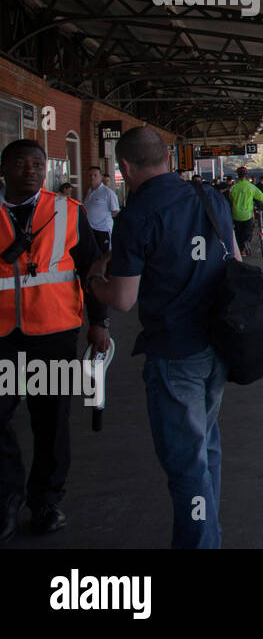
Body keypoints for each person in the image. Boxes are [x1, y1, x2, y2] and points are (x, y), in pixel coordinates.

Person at [88, 126, 239, 549]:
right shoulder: (210, 197)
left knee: (186, 464)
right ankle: (210, 536)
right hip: (218, 347)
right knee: (206, 449)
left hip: (176, 353)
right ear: (170, 160)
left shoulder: (136, 216)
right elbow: (236, 262)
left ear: (123, 167)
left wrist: (95, 280)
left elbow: (121, 298)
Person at [1, 139, 111, 543]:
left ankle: (45, 502)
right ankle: (7, 498)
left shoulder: (67, 211)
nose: (31, 170)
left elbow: (92, 270)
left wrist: (99, 323)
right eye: (20, 163)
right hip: (2, 339)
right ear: (4, 168)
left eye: (38, 164)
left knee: (50, 422)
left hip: (52, 333)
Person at [227, 167, 263, 257]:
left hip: (236, 214)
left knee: (238, 233)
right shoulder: (251, 187)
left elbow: (230, 199)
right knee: (248, 231)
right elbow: (261, 197)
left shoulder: (233, 187)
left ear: (238, 176)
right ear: (246, 175)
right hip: (247, 215)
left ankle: (241, 249)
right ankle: (246, 242)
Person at [82, 165, 120, 254]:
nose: (92, 177)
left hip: (103, 230)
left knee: (103, 257)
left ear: (101, 177)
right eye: (90, 175)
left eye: (95, 175)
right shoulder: (89, 192)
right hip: (90, 230)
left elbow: (115, 212)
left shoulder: (108, 193)